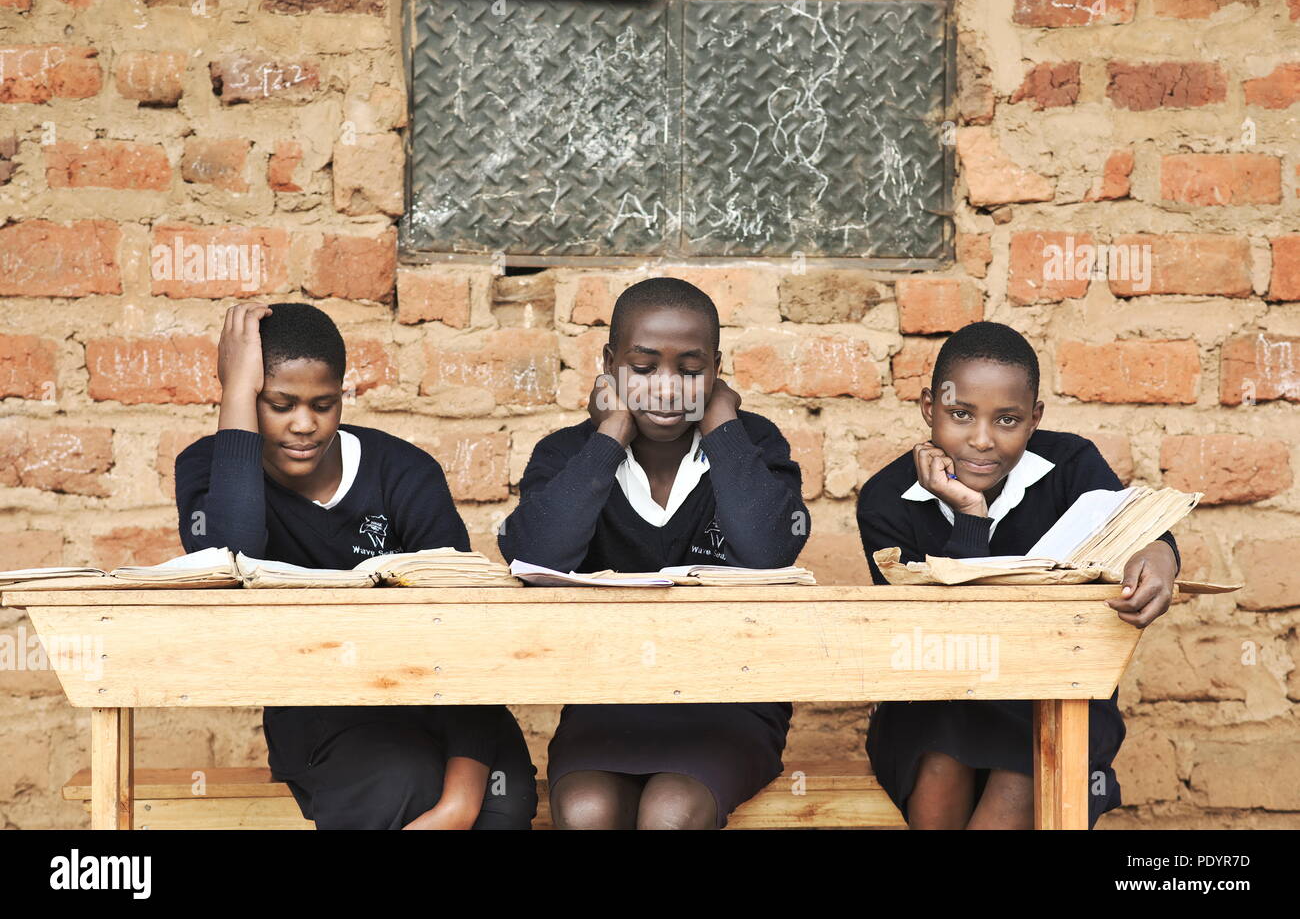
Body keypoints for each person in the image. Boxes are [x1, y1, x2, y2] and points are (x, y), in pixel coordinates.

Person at [175, 301, 537, 829]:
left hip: (451, 711)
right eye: (279, 404)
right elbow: (232, 557)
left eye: (323, 404)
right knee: (399, 778)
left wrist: (459, 803)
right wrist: (234, 392)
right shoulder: (208, 468)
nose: (304, 424)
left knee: (500, 801)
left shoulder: (402, 473)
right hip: (324, 722)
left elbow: (464, 632)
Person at [499, 277, 809, 829]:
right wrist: (611, 434)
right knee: (583, 809)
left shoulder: (751, 444)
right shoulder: (569, 454)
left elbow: (769, 550)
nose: (668, 388)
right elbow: (536, 555)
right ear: (609, 364)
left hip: (728, 704)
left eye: (691, 370)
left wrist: (722, 424)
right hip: (609, 705)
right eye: (643, 368)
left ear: (717, 369)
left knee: (671, 811)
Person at [856, 320, 1180, 829]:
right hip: (938, 695)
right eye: (960, 415)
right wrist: (969, 515)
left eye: (1007, 420)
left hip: (1053, 692)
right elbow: (938, 633)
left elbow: (1133, 528)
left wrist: (1161, 554)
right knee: (940, 763)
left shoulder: (1071, 464)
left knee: (1026, 773)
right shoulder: (886, 501)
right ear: (928, 408)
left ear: (1034, 419)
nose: (982, 440)